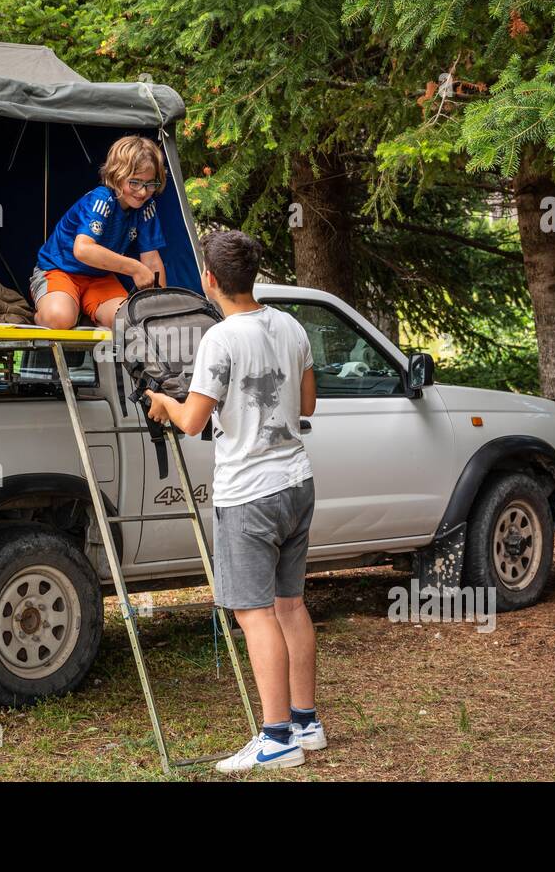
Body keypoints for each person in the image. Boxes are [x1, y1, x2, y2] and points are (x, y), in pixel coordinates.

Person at [144, 228, 321, 774]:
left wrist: (162, 403)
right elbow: (309, 401)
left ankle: (276, 738)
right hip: (296, 482)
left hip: (249, 494)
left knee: (254, 613)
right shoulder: (289, 325)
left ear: (210, 280)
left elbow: (194, 420)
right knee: (290, 605)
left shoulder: (219, 340)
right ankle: (306, 723)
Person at [31, 135, 168, 330]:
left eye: (150, 184)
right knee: (59, 319)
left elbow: (152, 259)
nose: (142, 192)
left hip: (99, 278)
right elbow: (83, 250)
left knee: (130, 323)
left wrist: (161, 306)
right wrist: (134, 268)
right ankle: (51, 310)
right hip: (60, 270)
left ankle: (89, 315)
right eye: (135, 182)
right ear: (117, 176)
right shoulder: (102, 199)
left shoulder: (146, 207)